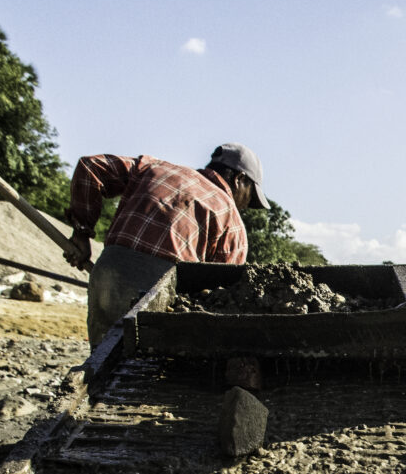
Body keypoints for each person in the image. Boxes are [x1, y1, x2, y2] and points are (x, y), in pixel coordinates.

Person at [65, 143, 269, 341]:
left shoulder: (155, 167)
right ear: (239, 179)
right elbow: (221, 295)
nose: (245, 207)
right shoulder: (232, 221)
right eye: (250, 198)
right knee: (146, 367)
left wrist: (81, 234)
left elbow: (90, 166)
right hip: (157, 293)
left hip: (108, 273)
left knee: (102, 361)